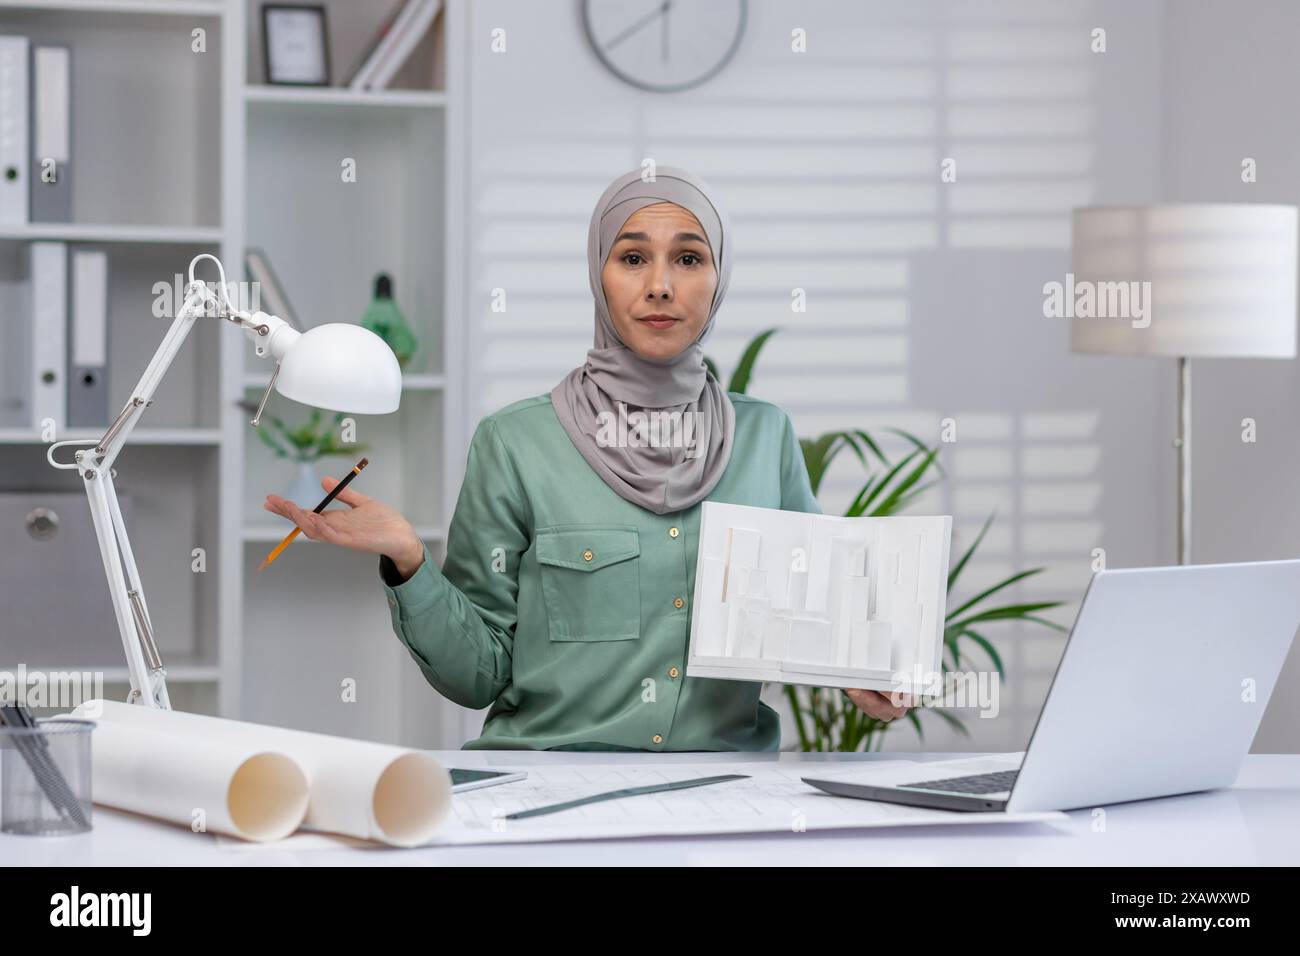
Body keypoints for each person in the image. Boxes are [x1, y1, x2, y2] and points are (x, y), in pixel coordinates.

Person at [263, 166, 913, 751]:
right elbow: (477, 676)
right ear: (598, 274)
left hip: (730, 800)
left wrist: (865, 675)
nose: (660, 286)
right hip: (550, 794)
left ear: (720, 279)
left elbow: (822, 624)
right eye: (632, 258)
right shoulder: (516, 444)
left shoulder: (766, 439)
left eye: (689, 258)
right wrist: (409, 562)